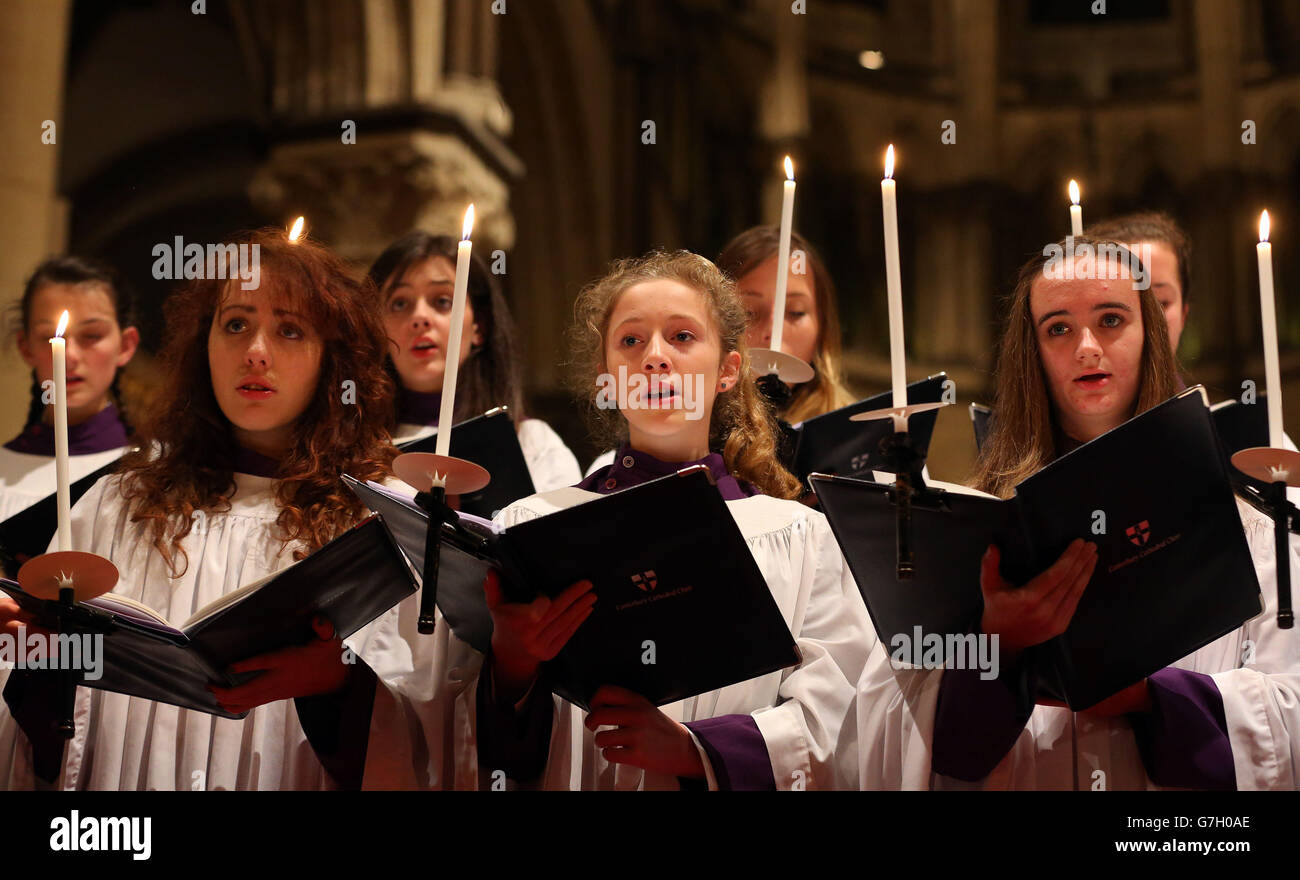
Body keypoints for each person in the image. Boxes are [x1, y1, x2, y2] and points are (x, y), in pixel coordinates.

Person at [857, 238, 1300, 790]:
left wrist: (1147, 696)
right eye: (1058, 328)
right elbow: (891, 725)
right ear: (1033, 353)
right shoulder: (970, 527)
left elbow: (1291, 711)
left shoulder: (1250, 530)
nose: (1087, 347)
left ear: (1151, 338)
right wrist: (1000, 643)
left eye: (1111, 319)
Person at [0, 229, 407, 789]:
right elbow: (31, 742)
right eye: (236, 324)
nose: (255, 351)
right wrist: (39, 665)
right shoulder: (114, 506)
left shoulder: (377, 528)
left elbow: (427, 737)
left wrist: (338, 685)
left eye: (290, 330)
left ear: (331, 360)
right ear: (203, 347)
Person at [480, 250, 875, 789]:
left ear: (729, 371)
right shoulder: (532, 524)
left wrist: (697, 751)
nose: (655, 357)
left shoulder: (801, 535)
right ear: (607, 377)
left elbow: (840, 718)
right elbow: (467, 740)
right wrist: (513, 667)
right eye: (631, 340)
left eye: (683, 337)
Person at [583, 226, 856, 477]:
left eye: (795, 312)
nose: (772, 331)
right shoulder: (631, 460)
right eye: (749, 313)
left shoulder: (857, 441)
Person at [368, 232, 580, 493]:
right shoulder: (356, 449)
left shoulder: (533, 444)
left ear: (479, 326)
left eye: (442, 301)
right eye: (400, 303)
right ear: (378, 329)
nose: (420, 317)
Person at [0, 257, 139, 524]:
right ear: (25, 347)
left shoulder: (154, 470)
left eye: (92, 335)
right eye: (50, 337)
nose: (70, 355)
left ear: (125, 346)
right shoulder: (6, 468)